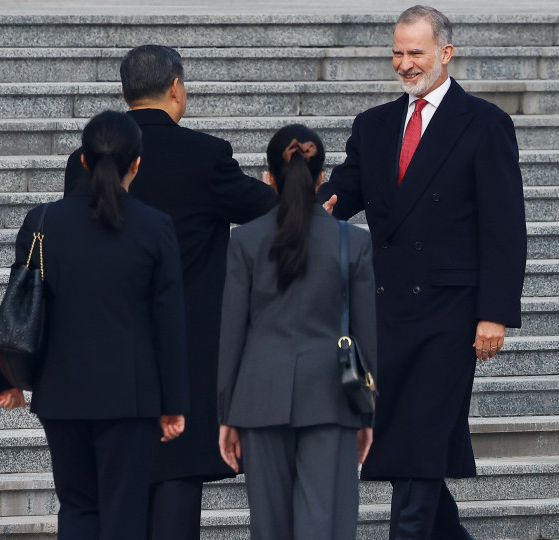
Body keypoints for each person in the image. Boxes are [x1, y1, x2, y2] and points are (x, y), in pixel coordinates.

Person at [61, 45, 290, 539]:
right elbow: (270, 211)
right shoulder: (206, 155)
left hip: (105, 347)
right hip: (184, 349)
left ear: (123, 94)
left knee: (113, 486)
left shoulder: (85, 161)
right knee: (179, 475)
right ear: (176, 88)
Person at [316, 6, 527, 539]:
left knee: (418, 445)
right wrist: (304, 203)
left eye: (416, 53)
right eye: (398, 53)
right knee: (409, 447)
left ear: (445, 54)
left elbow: (505, 228)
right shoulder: (375, 124)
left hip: (450, 317)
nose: (405, 64)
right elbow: (344, 191)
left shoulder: (484, 123)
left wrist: (495, 314)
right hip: (384, 312)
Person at [0, 110, 189, 540]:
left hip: (61, 393)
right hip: (130, 397)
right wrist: (174, 401)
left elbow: (18, 299)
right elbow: (169, 319)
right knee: (125, 510)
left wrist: (4, 378)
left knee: (78, 508)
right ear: (136, 164)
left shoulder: (43, 222)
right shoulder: (155, 227)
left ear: (82, 160)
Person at [216, 124, 376, 540]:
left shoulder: (245, 240)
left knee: (269, 526)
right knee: (325, 522)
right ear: (321, 177)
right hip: (333, 395)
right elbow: (367, 336)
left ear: (268, 177)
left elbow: (232, 333)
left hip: (259, 393)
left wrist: (227, 412)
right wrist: (367, 411)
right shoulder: (351, 242)